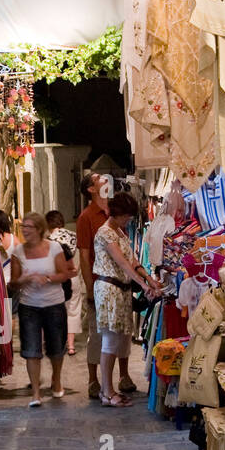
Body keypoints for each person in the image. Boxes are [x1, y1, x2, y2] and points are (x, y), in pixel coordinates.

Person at [92, 191, 162, 408]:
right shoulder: (105, 233)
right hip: (109, 289)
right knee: (110, 340)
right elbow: (122, 263)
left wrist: (150, 280)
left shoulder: (120, 233)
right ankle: (107, 391)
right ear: (118, 213)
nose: (129, 220)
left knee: (119, 340)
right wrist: (142, 285)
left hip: (121, 290)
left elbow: (133, 262)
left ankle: (109, 389)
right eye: (127, 217)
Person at [77, 171, 138, 399]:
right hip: (101, 282)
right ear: (92, 189)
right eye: (99, 179)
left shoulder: (115, 211)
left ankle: (122, 375)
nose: (106, 180)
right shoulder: (87, 217)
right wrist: (89, 286)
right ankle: (95, 380)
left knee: (123, 330)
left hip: (119, 283)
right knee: (99, 333)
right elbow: (84, 256)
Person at [10, 211, 76, 406]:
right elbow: (13, 283)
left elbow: (65, 274)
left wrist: (47, 278)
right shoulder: (18, 252)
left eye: (28, 227)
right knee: (31, 349)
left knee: (56, 347)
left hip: (54, 303)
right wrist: (26, 278)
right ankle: (36, 394)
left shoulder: (54, 248)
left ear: (39, 229)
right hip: (29, 306)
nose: (24, 231)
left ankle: (56, 380)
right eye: (23, 227)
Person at [46, 209, 81, 356]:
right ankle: (71, 345)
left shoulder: (49, 240)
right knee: (73, 311)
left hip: (58, 280)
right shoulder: (73, 236)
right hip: (74, 277)